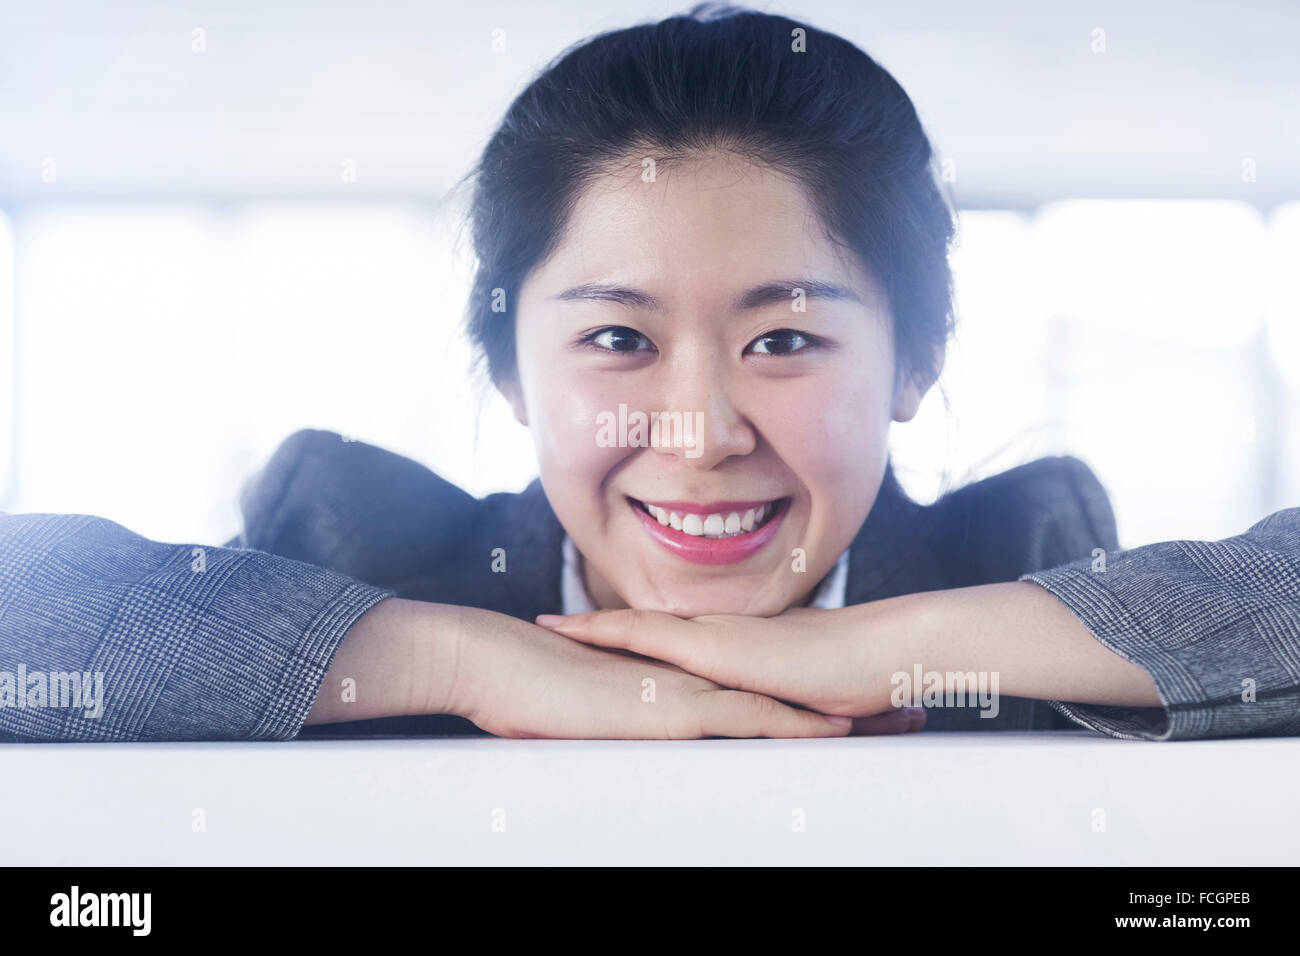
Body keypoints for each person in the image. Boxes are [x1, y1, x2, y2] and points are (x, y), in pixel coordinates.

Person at [1, 4, 1296, 744]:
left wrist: (891, 649)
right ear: (509, 373)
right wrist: (467, 662)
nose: (700, 428)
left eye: (783, 338)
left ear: (919, 360)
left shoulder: (1021, 569)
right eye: (618, 338)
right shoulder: (353, 552)